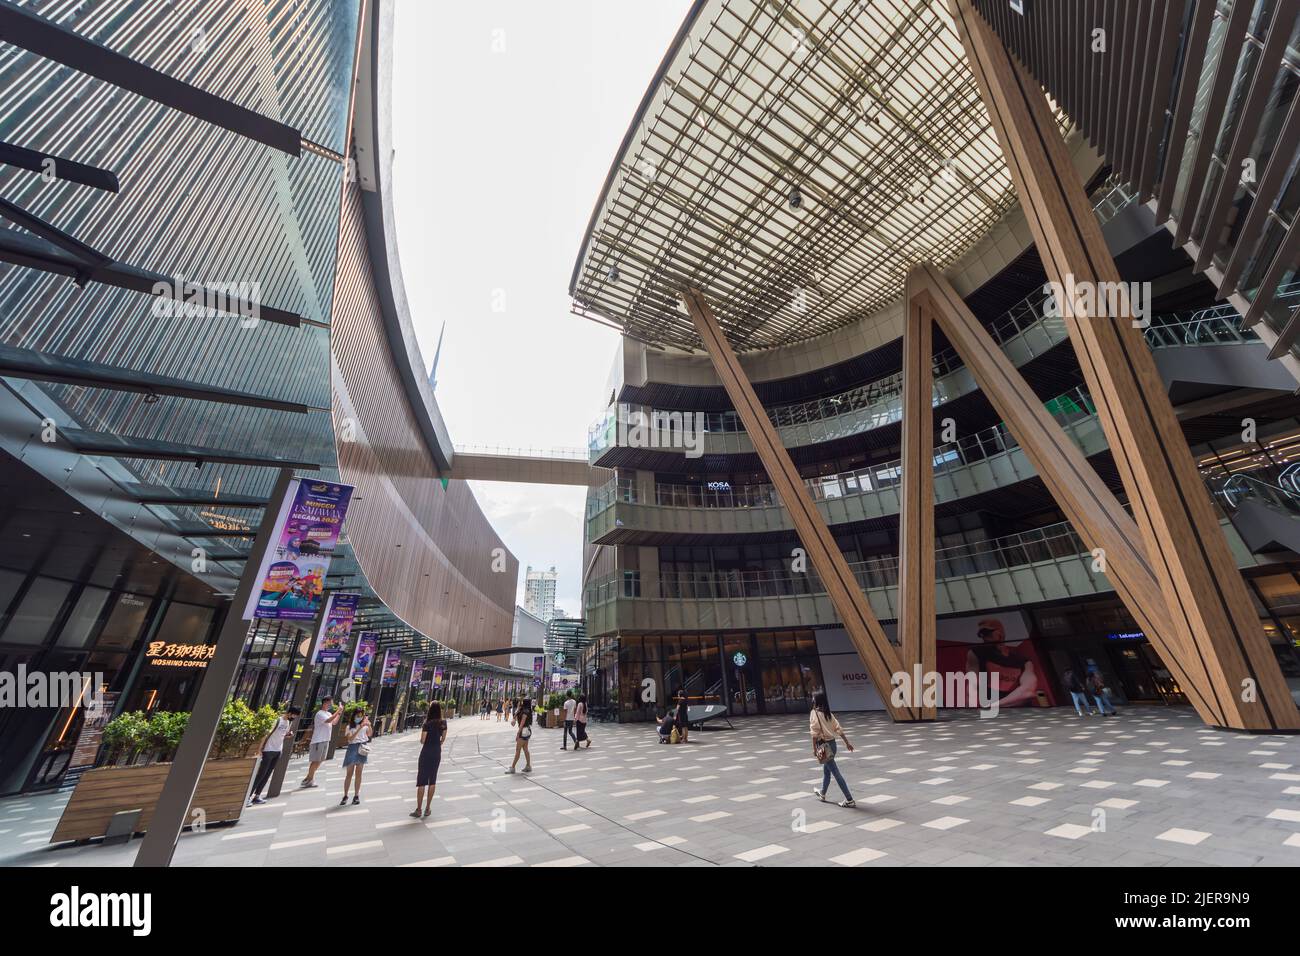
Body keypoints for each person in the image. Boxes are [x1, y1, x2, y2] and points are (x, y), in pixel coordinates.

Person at [964, 618, 1038, 707]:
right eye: (981, 635)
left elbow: (1028, 691)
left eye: (987, 633)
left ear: (1000, 633)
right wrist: (971, 710)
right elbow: (972, 686)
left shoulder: (1024, 661)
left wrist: (993, 706)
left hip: (1017, 710)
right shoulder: (976, 653)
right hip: (991, 710)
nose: (984, 637)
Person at [809, 690, 855, 807]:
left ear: (816, 700)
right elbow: (838, 728)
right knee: (827, 771)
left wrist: (814, 749)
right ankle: (823, 793)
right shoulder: (828, 713)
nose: (812, 700)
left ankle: (849, 800)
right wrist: (847, 743)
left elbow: (814, 733)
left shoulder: (814, 713)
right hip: (833, 745)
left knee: (835, 772)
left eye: (813, 698)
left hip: (823, 746)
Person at [249, 706, 299, 804]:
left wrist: (288, 735)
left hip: (278, 751)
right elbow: (266, 735)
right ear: (289, 713)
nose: (294, 717)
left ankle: (257, 795)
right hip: (268, 750)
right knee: (261, 774)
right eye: (294, 715)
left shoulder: (288, 722)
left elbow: (282, 735)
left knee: (267, 774)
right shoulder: (277, 720)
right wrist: (259, 749)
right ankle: (248, 796)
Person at [411, 702, 448, 817]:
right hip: (437, 752)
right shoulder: (443, 723)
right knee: (433, 780)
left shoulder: (427, 723)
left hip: (426, 752)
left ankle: (418, 809)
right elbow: (443, 739)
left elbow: (422, 740)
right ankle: (428, 808)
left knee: (422, 781)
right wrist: (438, 743)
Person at [301, 696, 342, 788]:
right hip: (318, 740)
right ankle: (309, 780)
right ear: (325, 703)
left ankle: (308, 778)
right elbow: (328, 720)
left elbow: (334, 722)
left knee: (320, 760)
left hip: (326, 739)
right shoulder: (320, 714)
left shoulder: (328, 713)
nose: (331, 705)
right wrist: (338, 711)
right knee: (315, 760)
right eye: (330, 703)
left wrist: (339, 714)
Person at [339, 705, 372, 805]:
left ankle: (356, 795)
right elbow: (350, 739)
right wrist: (358, 728)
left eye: (361, 715)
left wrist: (369, 725)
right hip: (352, 748)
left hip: (362, 748)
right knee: (349, 773)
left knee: (359, 773)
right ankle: (345, 795)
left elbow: (369, 735)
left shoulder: (365, 725)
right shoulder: (349, 726)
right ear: (354, 716)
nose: (359, 717)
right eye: (358, 715)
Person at [506, 699, 533, 773]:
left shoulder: (525, 711)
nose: (520, 702)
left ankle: (512, 767)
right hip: (526, 730)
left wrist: (518, 733)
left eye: (521, 701)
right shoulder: (522, 710)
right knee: (525, 749)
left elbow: (522, 723)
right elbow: (515, 717)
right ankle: (528, 766)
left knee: (518, 750)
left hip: (523, 731)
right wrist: (517, 709)